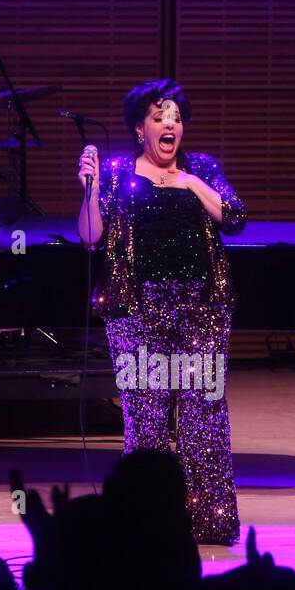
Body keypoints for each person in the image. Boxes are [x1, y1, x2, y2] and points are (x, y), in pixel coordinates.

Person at [76, 79, 246, 545]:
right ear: (140, 128)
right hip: (136, 311)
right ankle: (142, 523)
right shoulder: (114, 172)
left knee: (203, 414)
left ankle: (207, 521)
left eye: (175, 117)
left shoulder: (202, 168)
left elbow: (235, 216)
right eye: (158, 117)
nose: (170, 124)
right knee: (146, 418)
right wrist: (88, 189)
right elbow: (91, 236)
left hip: (201, 309)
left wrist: (190, 183)